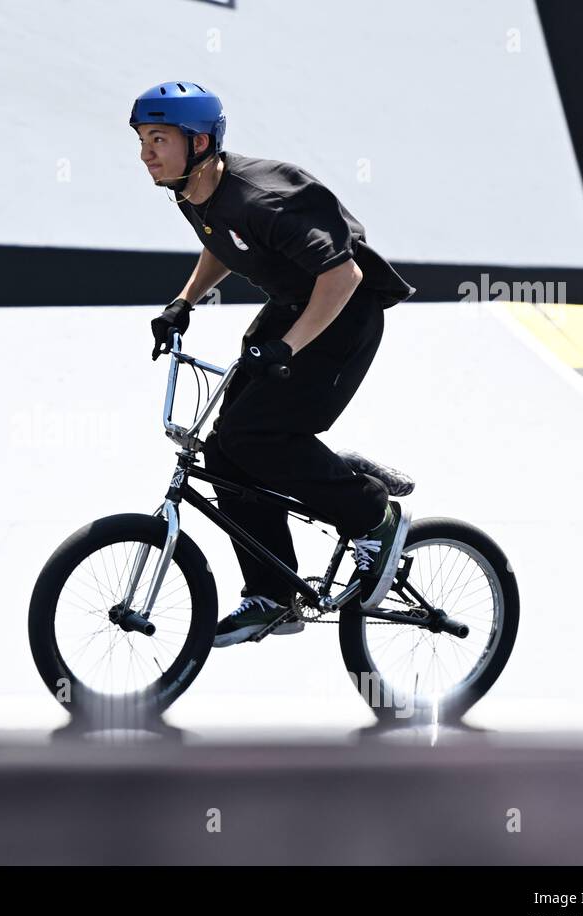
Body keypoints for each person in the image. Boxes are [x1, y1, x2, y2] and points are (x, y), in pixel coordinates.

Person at [131, 81, 417, 648]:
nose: (146, 154)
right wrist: (183, 301)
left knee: (256, 436)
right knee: (223, 449)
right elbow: (223, 244)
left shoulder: (265, 196)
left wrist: (289, 346)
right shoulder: (196, 191)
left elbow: (345, 276)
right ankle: (272, 597)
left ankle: (371, 515)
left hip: (341, 320)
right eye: (141, 140)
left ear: (200, 141)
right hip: (290, 312)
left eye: (158, 139)